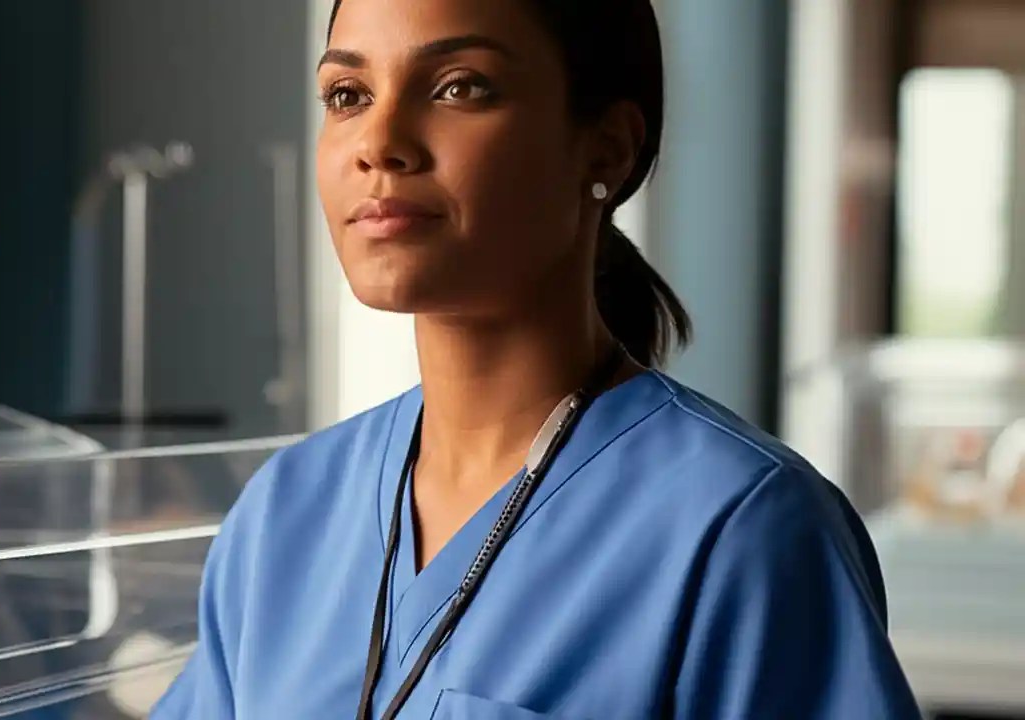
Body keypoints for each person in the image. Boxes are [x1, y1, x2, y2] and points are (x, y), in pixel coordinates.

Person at [153, 0, 922, 716]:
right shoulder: (286, 513)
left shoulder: (741, 528)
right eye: (348, 94)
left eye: (459, 87)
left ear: (609, 149)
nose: (378, 143)